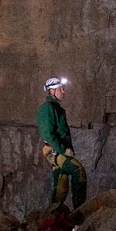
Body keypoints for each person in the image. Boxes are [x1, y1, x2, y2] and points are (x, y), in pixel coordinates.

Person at [37, 76, 87, 208]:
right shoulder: (47, 109)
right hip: (53, 151)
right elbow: (48, 134)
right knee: (78, 170)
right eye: (61, 89)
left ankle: (52, 217)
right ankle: (80, 211)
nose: (63, 91)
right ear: (52, 91)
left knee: (61, 186)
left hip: (56, 150)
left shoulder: (55, 108)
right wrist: (63, 150)